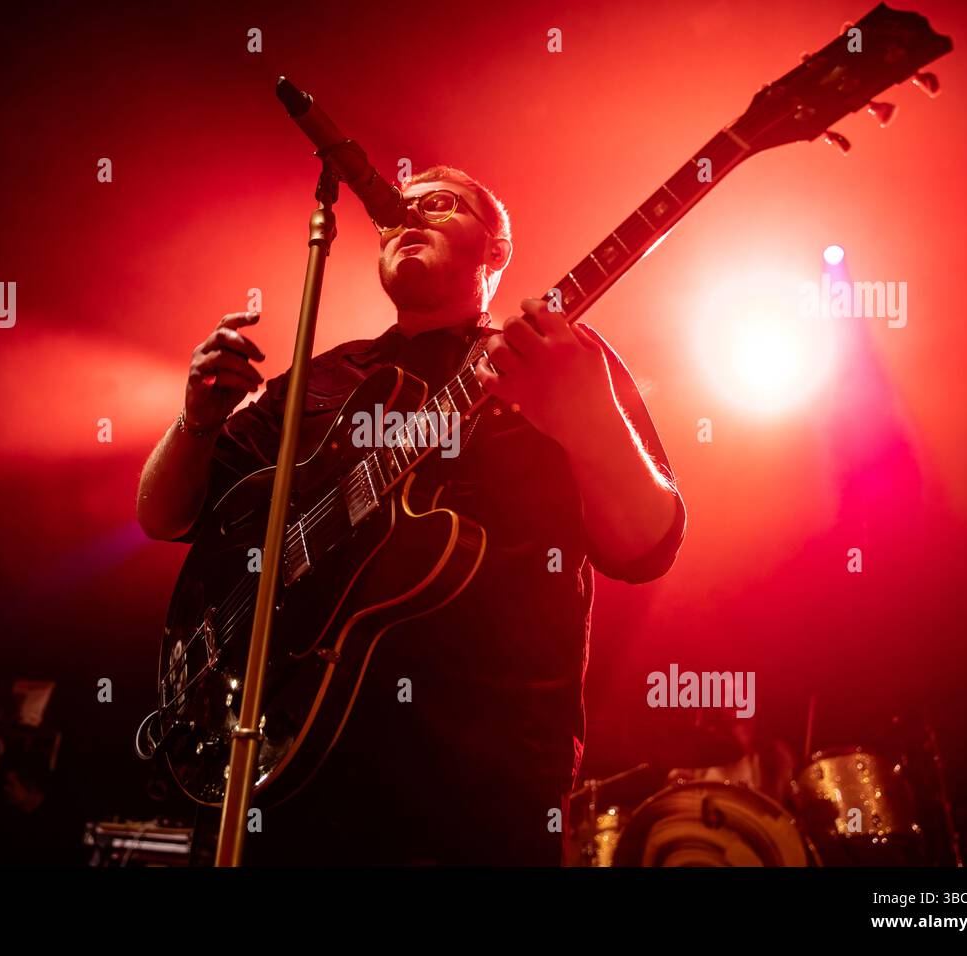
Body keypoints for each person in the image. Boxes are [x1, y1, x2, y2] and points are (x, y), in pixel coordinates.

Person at [137, 165, 686, 865]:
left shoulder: (558, 361)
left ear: (496, 252)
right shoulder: (321, 379)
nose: (407, 214)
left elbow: (647, 548)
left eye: (441, 203)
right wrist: (195, 422)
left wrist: (588, 417)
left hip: (478, 789)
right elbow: (164, 516)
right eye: (397, 208)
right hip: (285, 768)